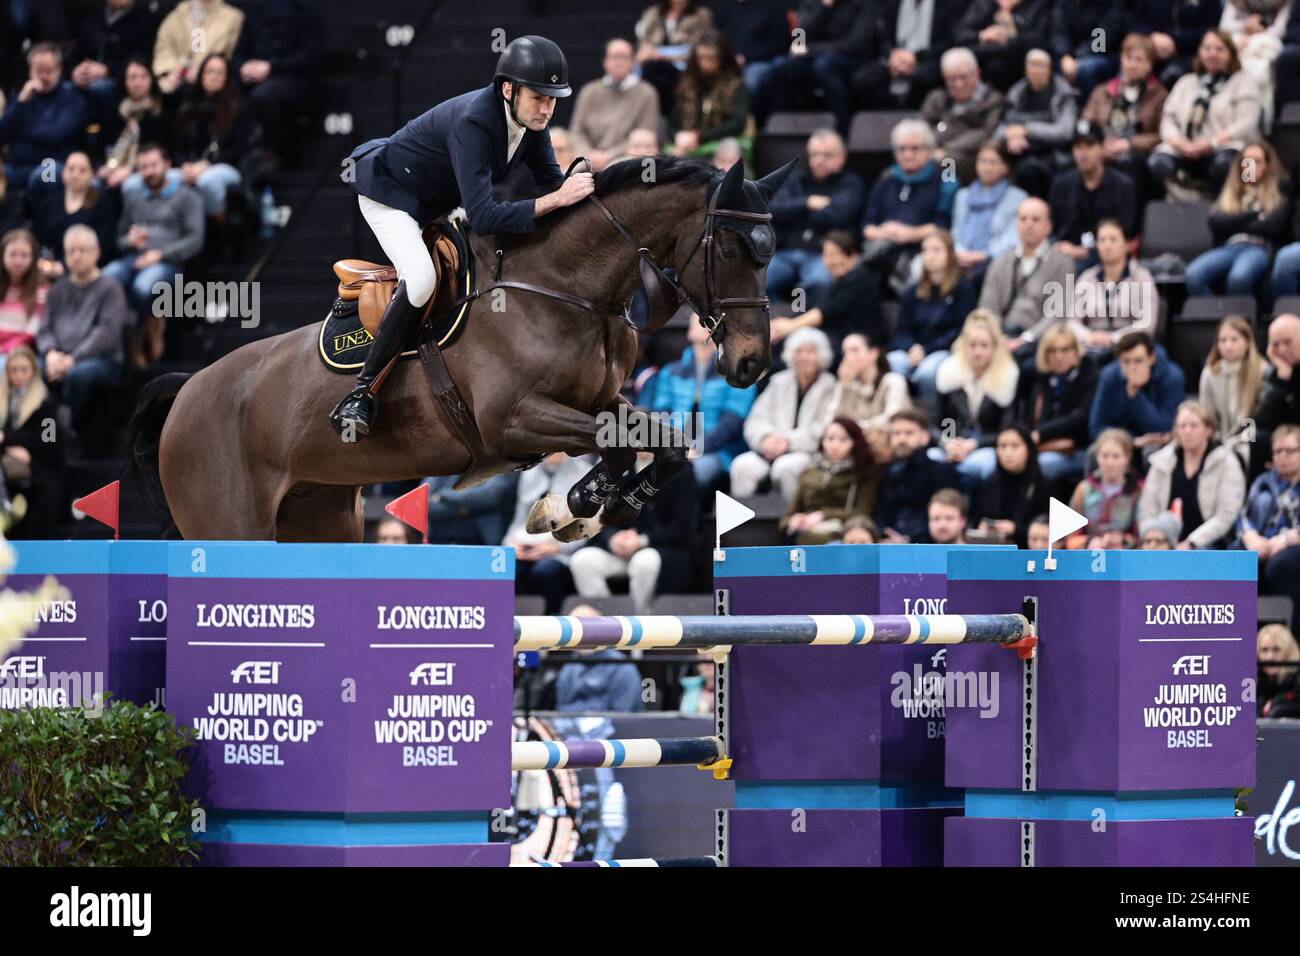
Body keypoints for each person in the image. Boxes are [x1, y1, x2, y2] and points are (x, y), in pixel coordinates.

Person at [334, 36, 587, 438]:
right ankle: (362, 392)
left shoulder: (532, 123)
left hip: (435, 203)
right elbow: (486, 216)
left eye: (553, 99)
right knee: (420, 278)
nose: (547, 108)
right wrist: (556, 200)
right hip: (390, 196)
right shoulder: (475, 120)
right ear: (509, 89)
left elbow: (553, 187)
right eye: (539, 97)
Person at [568, 456, 697, 611]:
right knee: (582, 560)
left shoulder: (679, 470)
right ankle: (606, 622)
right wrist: (613, 539)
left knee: (644, 562)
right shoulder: (617, 468)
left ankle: (640, 620)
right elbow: (601, 518)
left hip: (661, 550)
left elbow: (682, 527)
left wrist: (642, 540)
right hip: (621, 549)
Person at [649, 314, 757, 493]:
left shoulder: (738, 374)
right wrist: (670, 448)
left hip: (717, 452)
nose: (705, 326)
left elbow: (731, 424)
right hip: (674, 447)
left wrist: (697, 448)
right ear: (690, 331)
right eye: (700, 322)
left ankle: (684, 522)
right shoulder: (670, 372)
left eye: (711, 322)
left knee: (687, 473)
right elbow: (661, 413)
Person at [1148, 29, 1262, 197]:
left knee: (1225, 163)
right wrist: (1178, 142)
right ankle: (1178, 209)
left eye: (1219, 49)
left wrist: (1212, 142)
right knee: (1158, 162)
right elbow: (1168, 119)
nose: (1212, 54)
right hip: (1185, 147)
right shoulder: (1186, 82)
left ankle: (1227, 208)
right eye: (1207, 48)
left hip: (1226, 147)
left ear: (1231, 53)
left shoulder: (1244, 80)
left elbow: (1246, 123)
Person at [731, 327, 837, 499]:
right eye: (799, 351)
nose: (803, 357)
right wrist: (766, 438)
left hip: (809, 453)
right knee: (742, 466)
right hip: (769, 449)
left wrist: (788, 442)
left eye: (810, 352)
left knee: (786, 468)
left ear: (821, 356)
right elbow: (755, 419)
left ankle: (790, 521)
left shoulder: (831, 386)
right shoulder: (779, 382)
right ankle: (744, 524)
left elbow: (825, 427)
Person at [103, 143, 205, 317]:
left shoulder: (187, 195)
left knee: (143, 287)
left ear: (167, 164)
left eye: (154, 165)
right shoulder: (134, 197)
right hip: (136, 257)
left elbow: (195, 240)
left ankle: (148, 332)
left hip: (169, 261)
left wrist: (160, 254)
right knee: (104, 280)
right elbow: (119, 239)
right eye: (144, 167)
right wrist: (130, 241)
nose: (149, 171)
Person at [40, 225, 128, 423]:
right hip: (60, 355)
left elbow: (106, 334)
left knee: (77, 375)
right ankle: (40, 431)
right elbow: (45, 329)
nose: (76, 256)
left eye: (82, 250)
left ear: (97, 252)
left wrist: (72, 360)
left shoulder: (111, 287)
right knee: (31, 367)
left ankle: (70, 427)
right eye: (71, 251)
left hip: (101, 359)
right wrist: (51, 353)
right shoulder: (58, 288)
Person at [765, 130, 864, 305]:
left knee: (820, 282)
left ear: (841, 156)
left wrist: (795, 212)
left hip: (823, 253)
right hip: (786, 250)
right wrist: (807, 203)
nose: (819, 160)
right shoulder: (796, 180)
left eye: (827, 155)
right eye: (815, 155)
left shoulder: (851, 184)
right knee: (758, 282)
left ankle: (801, 322)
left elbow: (837, 217)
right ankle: (777, 319)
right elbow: (774, 210)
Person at [1186, 140, 1292, 295]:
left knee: (1239, 278)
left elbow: (1272, 226)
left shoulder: (1278, 191)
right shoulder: (1231, 191)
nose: (1251, 166)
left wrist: (1234, 221)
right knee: (1193, 274)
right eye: (1246, 161)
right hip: (1229, 247)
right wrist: (1254, 215)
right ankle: (1215, 316)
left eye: (1257, 161)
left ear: (1267, 166)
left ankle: (1241, 319)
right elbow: (1215, 222)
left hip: (1258, 248)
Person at [165, 54, 264, 218]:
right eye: (209, 72)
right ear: (201, 75)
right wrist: (185, 165)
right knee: (167, 177)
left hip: (228, 165)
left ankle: (219, 224)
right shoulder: (188, 105)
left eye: (219, 73)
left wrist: (207, 164)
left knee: (207, 180)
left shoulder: (238, 106)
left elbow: (241, 149)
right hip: (193, 166)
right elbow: (179, 145)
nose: (214, 77)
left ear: (227, 77)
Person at [1138, 399, 1247, 548]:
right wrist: (1155, 539)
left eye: (1194, 426)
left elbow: (1226, 515)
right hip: (1163, 543)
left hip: (1209, 544)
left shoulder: (1226, 462)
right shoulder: (1160, 461)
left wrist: (1192, 543)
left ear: (1208, 430)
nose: (1187, 431)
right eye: (1182, 426)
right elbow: (1146, 511)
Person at [860, 119, 958, 285]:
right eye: (901, 149)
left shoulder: (945, 180)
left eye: (914, 148)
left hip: (921, 250)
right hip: (881, 249)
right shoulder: (886, 178)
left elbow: (943, 225)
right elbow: (867, 225)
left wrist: (908, 234)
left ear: (929, 150)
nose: (907, 154)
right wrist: (882, 233)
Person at [759, 0, 875, 137]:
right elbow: (799, 37)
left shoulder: (863, 3)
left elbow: (857, 44)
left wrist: (813, 50)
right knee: (780, 70)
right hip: (813, 57)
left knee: (824, 68)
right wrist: (824, 7)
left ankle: (843, 132)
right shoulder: (812, 3)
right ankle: (784, 131)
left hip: (850, 59)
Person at [231, 0, 325, 165]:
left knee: (263, 95)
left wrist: (271, 67)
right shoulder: (256, 11)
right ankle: (230, 154)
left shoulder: (306, 12)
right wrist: (244, 66)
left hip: (293, 80)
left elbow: (310, 57)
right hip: (253, 79)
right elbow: (238, 54)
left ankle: (267, 153)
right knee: (227, 92)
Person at [977, 197, 1074, 356]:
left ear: (1048, 226)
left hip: (1038, 340)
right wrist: (996, 338)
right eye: (1023, 219)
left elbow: (1057, 313)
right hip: (998, 338)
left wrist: (1025, 339)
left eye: (1035, 219)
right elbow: (987, 308)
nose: (1028, 224)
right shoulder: (1001, 261)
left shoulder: (1061, 263)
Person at [933, 309, 1020, 484]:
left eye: (983, 346)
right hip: (954, 441)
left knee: (982, 464)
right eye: (972, 345)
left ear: (994, 348)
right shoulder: (949, 374)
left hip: (986, 443)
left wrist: (974, 444)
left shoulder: (1007, 377)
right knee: (933, 457)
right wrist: (949, 443)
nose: (977, 352)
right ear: (964, 346)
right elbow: (938, 421)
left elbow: (1006, 429)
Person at [889, 229, 977, 402]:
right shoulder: (912, 292)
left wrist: (926, 350)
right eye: (925, 250)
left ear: (950, 254)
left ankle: (931, 419)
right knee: (891, 363)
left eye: (936, 250)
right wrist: (912, 347)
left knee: (927, 373)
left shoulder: (963, 289)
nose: (929, 256)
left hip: (943, 349)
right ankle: (898, 414)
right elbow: (902, 329)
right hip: (913, 350)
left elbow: (960, 329)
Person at [505, 452, 594, 613]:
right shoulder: (529, 472)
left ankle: (554, 621)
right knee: (511, 568)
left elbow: (587, 524)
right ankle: (519, 621)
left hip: (564, 547)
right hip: (529, 543)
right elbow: (520, 517)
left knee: (545, 571)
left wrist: (557, 548)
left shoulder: (585, 473)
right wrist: (510, 544)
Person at [1081, 33, 1170, 194]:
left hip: (1137, 153)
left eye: (1139, 60)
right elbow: (1086, 122)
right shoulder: (1103, 90)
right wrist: (1098, 143)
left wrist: (1129, 143)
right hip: (1102, 148)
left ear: (1150, 64)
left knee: (1127, 162)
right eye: (1129, 58)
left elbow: (1162, 134)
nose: (1132, 65)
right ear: (1121, 59)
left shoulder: (1160, 95)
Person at [768, 231, 884, 353]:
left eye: (835, 254)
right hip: (835, 338)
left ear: (853, 255)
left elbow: (826, 311)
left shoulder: (861, 278)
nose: (831, 261)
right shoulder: (834, 284)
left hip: (861, 344)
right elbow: (811, 309)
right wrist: (780, 325)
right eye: (826, 255)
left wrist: (790, 326)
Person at [1015, 322, 1099, 486]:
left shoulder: (1090, 374)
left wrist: (1040, 433)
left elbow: (1080, 418)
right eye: (1052, 351)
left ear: (1076, 352)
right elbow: (1026, 417)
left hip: (1077, 448)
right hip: (1043, 446)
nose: (1058, 356)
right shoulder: (1040, 378)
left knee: (1042, 465)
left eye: (1065, 349)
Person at [1048, 121, 1138, 270]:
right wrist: (1061, 248)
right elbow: (1052, 229)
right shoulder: (1061, 185)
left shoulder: (1123, 185)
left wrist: (1084, 252)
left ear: (1102, 148)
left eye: (1089, 146)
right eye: (1078, 147)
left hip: (1108, 257)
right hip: (1065, 257)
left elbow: (1125, 234)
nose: (1083, 153)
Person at [1236, 424, 1300, 626]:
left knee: (1280, 565)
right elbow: (1243, 515)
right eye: (1277, 452)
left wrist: (1286, 539)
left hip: (1293, 543)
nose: (1282, 456)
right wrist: (1251, 537)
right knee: (1234, 558)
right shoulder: (1263, 481)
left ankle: (1288, 634)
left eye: (1289, 451)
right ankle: (1236, 631)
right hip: (1262, 542)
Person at [0, 44, 87, 191]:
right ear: (30, 71)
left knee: (44, 177)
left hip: (52, 166)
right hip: (17, 166)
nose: (43, 77)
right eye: (38, 71)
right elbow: (2, 134)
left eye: (49, 71)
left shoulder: (72, 97)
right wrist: (20, 103)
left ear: (59, 70)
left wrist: (22, 129)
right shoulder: (23, 97)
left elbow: (54, 135)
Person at [781, 417, 880, 545]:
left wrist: (823, 515)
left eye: (843, 439)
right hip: (807, 530)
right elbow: (787, 516)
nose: (835, 445)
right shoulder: (809, 473)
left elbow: (862, 512)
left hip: (843, 532)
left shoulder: (864, 473)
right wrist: (794, 521)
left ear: (856, 442)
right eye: (830, 439)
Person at [995, 48, 1078, 199]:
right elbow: (999, 130)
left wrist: (1027, 130)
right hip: (1020, 153)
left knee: (1030, 170)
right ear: (1026, 68)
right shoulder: (1016, 93)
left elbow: (1065, 132)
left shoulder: (1063, 93)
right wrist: (1010, 135)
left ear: (1050, 68)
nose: (1036, 70)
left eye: (1041, 65)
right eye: (1032, 65)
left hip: (1054, 155)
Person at [568, 39, 661, 172]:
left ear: (633, 62)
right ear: (605, 62)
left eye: (625, 57)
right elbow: (576, 131)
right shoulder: (589, 91)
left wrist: (609, 155)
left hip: (628, 157)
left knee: (614, 172)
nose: (619, 62)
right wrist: (588, 154)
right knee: (566, 173)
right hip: (589, 157)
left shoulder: (646, 93)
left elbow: (646, 135)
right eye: (615, 57)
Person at [850, 0, 961, 110]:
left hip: (929, 59)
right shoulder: (893, 3)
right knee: (863, 80)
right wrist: (893, 55)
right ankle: (885, 121)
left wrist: (915, 57)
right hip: (895, 59)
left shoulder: (947, 4)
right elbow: (883, 36)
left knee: (922, 78)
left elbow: (949, 41)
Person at [1068, 218, 1158, 352]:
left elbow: (1147, 324)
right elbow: (1072, 322)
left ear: (1126, 245)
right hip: (1091, 347)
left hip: (1130, 346)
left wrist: (1112, 338)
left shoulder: (1141, 277)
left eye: (1113, 239)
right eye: (1102, 240)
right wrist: (1089, 337)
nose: (1107, 245)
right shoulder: (1087, 278)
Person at [0, 344, 61, 536]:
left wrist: (8, 439)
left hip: (40, 470)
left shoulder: (46, 403)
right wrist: (10, 449)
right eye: (13, 370)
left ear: (33, 372)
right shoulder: (4, 402)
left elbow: (48, 442)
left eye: (23, 370)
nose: (18, 375)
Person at [920, 48, 1006, 183]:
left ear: (977, 73)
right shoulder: (937, 98)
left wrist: (947, 149)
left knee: (948, 162)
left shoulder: (992, 100)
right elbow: (924, 126)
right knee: (897, 169)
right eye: (951, 79)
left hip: (968, 156)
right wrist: (929, 148)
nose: (958, 84)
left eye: (963, 77)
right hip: (932, 151)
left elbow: (985, 133)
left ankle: (946, 201)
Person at [1089, 331, 1186, 448]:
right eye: (1126, 361)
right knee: (1094, 452)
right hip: (1122, 443)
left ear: (1152, 358)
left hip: (1158, 444)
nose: (1132, 367)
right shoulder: (1109, 376)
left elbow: (1164, 428)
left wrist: (1135, 394)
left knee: (1151, 450)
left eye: (1138, 361)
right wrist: (1132, 441)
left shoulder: (1172, 377)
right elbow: (1097, 426)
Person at [875, 409, 960, 542]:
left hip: (926, 547)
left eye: (909, 433)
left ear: (924, 437)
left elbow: (946, 516)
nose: (902, 439)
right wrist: (881, 535)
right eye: (896, 433)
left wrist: (908, 539)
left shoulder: (940, 471)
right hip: (887, 544)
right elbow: (881, 514)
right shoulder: (887, 473)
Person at [70, 0, 160, 123]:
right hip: (89, 79)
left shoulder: (146, 18)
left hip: (119, 79)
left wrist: (108, 70)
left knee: (100, 89)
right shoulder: (94, 17)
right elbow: (76, 55)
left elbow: (145, 60)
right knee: (68, 88)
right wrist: (76, 70)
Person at [951, 141, 1028, 281]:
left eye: (992, 162)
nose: (986, 167)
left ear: (1005, 167)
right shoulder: (963, 195)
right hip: (961, 258)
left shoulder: (1018, 197)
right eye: (982, 161)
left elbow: (1013, 236)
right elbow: (957, 231)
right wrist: (961, 253)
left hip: (996, 261)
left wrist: (986, 255)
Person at [29, 152, 118, 273]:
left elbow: (104, 245)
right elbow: (36, 235)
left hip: (85, 269)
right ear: (63, 173)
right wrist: (39, 261)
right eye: (71, 169)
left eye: (82, 170)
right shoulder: (51, 201)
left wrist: (64, 267)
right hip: (46, 265)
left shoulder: (103, 203)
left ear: (92, 175)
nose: (75, 175)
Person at [1201, 315, 1270, 469]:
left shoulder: (1262, 371)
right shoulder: (1210, 373)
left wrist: (1235, 443)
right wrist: (1218, 441)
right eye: (1223, 340)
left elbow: (1259, 420)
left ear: (1247, 342)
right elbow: (1207, 415)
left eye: (1234, 339)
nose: (1228, 346)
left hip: (1250, 439)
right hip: (1218, 439)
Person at [669, 33, 751, 160]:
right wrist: (679, 135)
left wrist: (700, 137)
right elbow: (673, 120)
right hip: (687, 144)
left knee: (729, 150)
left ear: (722, 59)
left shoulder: (736, 85)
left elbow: (738, 124)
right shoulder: (686, 85)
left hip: (720, 143)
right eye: (701, 58)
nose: (705, 63)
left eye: (711, 58)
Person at [97, 59, 170, 191]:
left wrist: (131, 170)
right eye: (132, 77)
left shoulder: (159, 114)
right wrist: (102, 167)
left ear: (151, 80)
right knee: (94, 184)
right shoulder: (115, 111)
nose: (138, 83)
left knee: (130, 186)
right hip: (112, 165)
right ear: (125, 81)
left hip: (146, 170)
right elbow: (99, 145)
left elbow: (162, 152)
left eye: (143, 77)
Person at [971, 424, 1049, 546]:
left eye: (1015, 446)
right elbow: (976, 520)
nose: (1008, 452)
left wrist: (1015, 529)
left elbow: (1050, 531)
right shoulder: (989, 482)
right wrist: (984, 528)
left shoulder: (1043, 484)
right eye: (1002, 446)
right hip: (995, 551)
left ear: (1028, 449)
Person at [820, 332, 911, 435]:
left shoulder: (893, 380)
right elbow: (830, 422)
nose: (848, 357)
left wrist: (855, 428)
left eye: (854, 351)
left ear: (873, 354)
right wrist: (843, 386)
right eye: (845, 353)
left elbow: (893, 418)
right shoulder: (849, 386)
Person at [1067, 427, 1143, 548]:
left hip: (1124, 557)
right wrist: (1088, 542)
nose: (1109, 462)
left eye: (1116, 456)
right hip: (1089, 555)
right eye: (1105, 456)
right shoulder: (1084, 489)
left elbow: (1141, 536)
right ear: (1097, 457)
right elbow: (1070, 537)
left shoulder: (1137, 491)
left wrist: (1123, 541)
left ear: (1127, 458)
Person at [634, 0, 715, 113]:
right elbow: (643, 44)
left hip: (682, 65)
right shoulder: (653, 14)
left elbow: (701, 48)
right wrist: (646, 52)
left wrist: (666, 56)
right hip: (652, 66)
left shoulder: (701, 15)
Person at [954, 0, 1051, 92]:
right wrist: (982, 35)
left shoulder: (1037, 4)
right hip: (986, 59)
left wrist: (1010, 38)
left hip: (1020, 61)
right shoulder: (985, 4)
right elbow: (961, 35)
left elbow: (1037, 39)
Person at [1129, 0, 1228, 89]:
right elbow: (1133, 20)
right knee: (1132, 62)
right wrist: (1152, 36)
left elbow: (1210, 30)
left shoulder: (1209, 3)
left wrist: (1174, 41)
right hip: (1150, 47)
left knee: (1172, 76)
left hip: (1188, 53)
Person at [153, 0, 245, 95]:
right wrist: (172, 70)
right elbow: (164, 48)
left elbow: (232, 53)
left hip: (213, 79)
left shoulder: (233, 17)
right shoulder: (177, 15)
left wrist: (202, 70)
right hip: (177, 76)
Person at [1050, 0, 1126, 100]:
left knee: (1084, 69)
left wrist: (1075, 58)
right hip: (1068, 57)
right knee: (1042, 63)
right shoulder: (1062, 3)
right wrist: (1065, 55)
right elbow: (1058, 32)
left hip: (1104, 55)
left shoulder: (1110, 4)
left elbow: (1104, 38)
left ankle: (1089, 108)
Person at [0, 230, 46, 364]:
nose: (18, 261)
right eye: (13, 254)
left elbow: (31, 332)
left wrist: (4, 349)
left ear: (33, 258)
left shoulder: (41, 289)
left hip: (19, 353)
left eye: (24, 255)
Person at [1256, 313, 1300, 432]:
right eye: (1275, 344)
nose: (1282, 350)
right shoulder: (1276, 371)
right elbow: (1262, 421)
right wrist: (1282, 379)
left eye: (1287, 342)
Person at [1257, 623, 1300, 715]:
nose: (1270, 657)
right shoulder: (1257, 683)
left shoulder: (1297, 681)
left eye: (1277, 650)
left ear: (1289, 652)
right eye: (1264, 650)